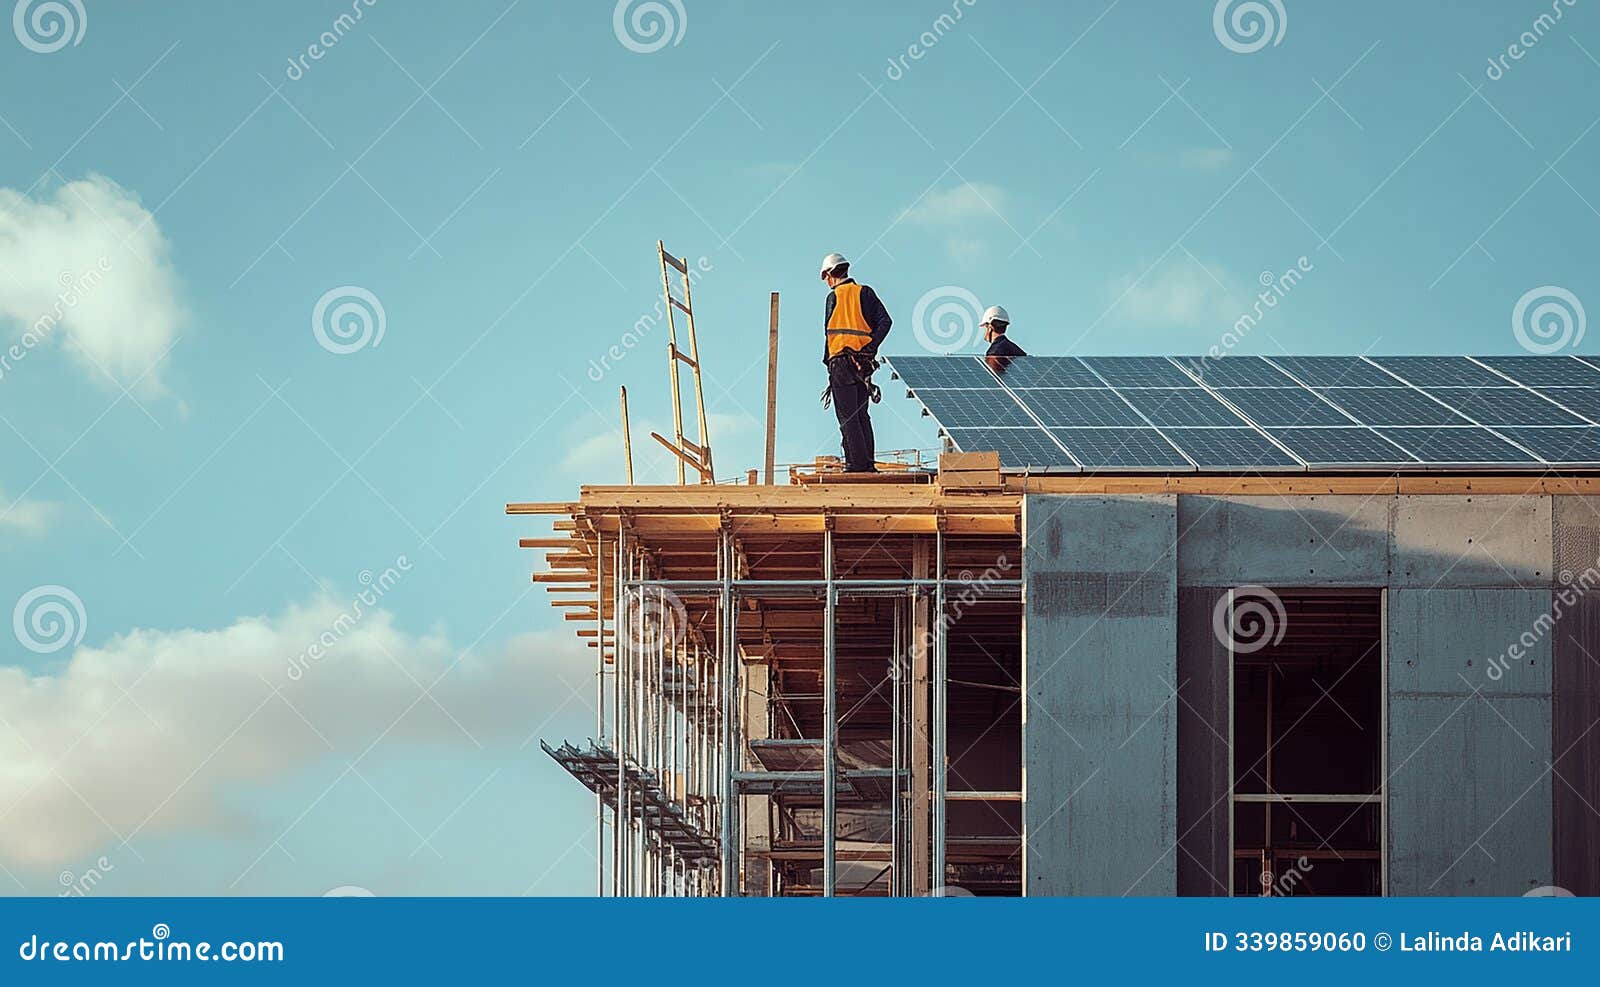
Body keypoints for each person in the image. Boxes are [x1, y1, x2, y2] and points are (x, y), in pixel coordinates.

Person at [819, 252, 892, 473]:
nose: (826, 282)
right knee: (861, 415)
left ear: (831, 274)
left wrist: (828, 363)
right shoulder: (865, 292)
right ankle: (867, 464)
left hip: (841, 363)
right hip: (862, 364)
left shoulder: (834, 297)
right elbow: (885, 322)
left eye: (825, 277)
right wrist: (870, 348)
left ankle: (855, 465)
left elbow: (829, 334)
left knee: (847, 417)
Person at [981, 304, 1025, 374]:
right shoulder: (1016, 349)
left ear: (990, 327)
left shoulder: (995, 352)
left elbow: (993, 380)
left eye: (985, 327)